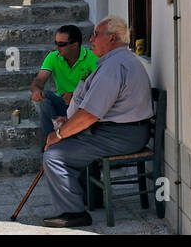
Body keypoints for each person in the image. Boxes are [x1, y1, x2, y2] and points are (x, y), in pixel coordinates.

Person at [39, 15, 153, 227]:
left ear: (112, 38)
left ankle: (74, 212)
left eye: (96, 35)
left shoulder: (114, 66)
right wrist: (68, 123)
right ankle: (88, 197)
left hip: (122, 135)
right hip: (125, 131)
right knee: (69, 140)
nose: (91, 39)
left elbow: (90, 114)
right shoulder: (116, 61)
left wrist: (58, 134)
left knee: (54, 155)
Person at [30, 25, 97, 140]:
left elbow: (98, 90)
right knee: (43, 98)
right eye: (55, 43)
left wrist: (76, 97)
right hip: (63, 102)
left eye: (61, 44)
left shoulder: (92, 58)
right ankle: (51, 138)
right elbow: (40, 79)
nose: (57, 47)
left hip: (83, 105)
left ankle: (63, 135)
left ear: (75, 45)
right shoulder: (53, 57)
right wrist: (36, 89)